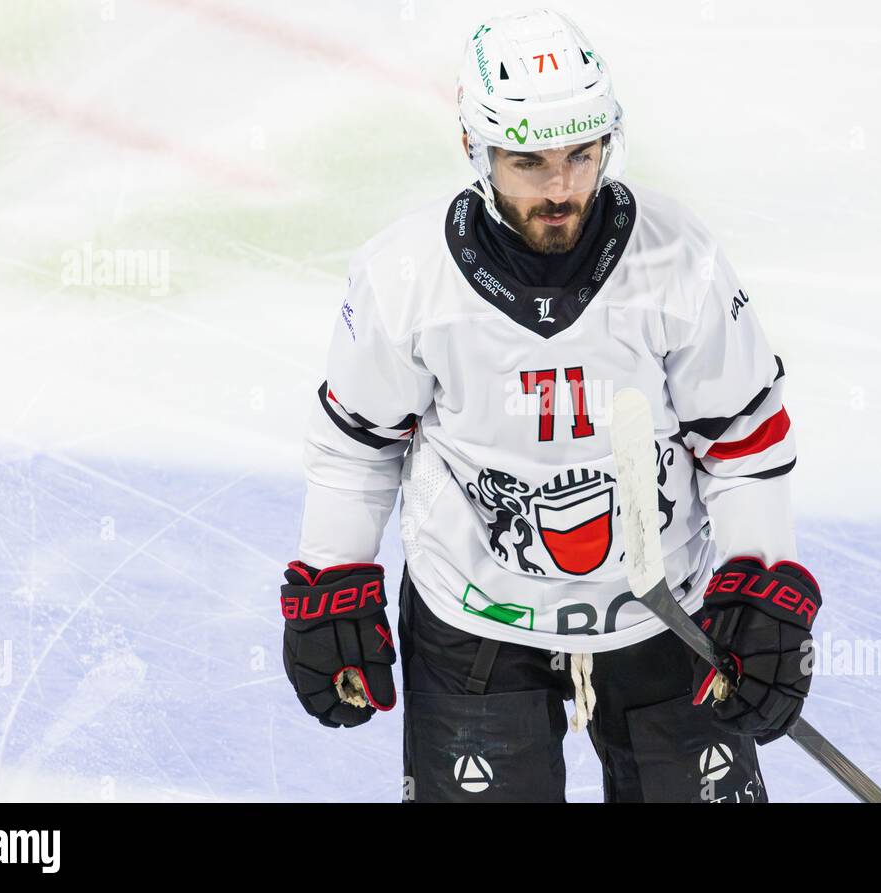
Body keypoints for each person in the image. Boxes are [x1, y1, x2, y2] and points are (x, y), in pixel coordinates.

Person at [278, 8, 822, 803]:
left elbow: (744, 436)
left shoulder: (679, 260)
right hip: (474, 615)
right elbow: (357, 444)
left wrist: (759, 577)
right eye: (530, 161)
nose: (562, 187)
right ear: (478, 148)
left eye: (580, 153)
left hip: (663, 617)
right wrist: (333, 571)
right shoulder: (405, 276)